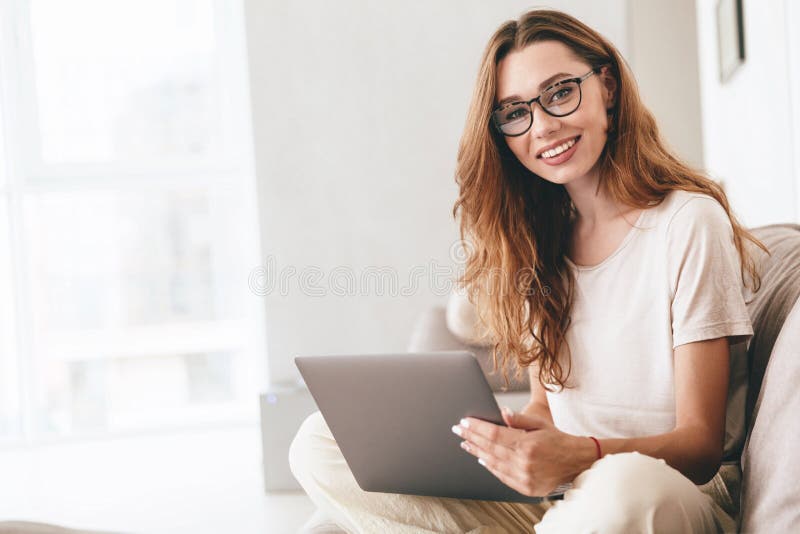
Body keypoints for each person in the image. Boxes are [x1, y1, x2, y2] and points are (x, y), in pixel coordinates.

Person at [289, 8, 768, 533]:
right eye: (515, 112)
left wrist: (581, 455)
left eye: (561, 92)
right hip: (563, 499)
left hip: (667, 491)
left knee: (624, 486)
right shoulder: (539, 244)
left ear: (607, 86)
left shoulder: (687, 222)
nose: (542, 126)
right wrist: (515, 436)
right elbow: (547, 407)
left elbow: (700, 446)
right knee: (319, 442)